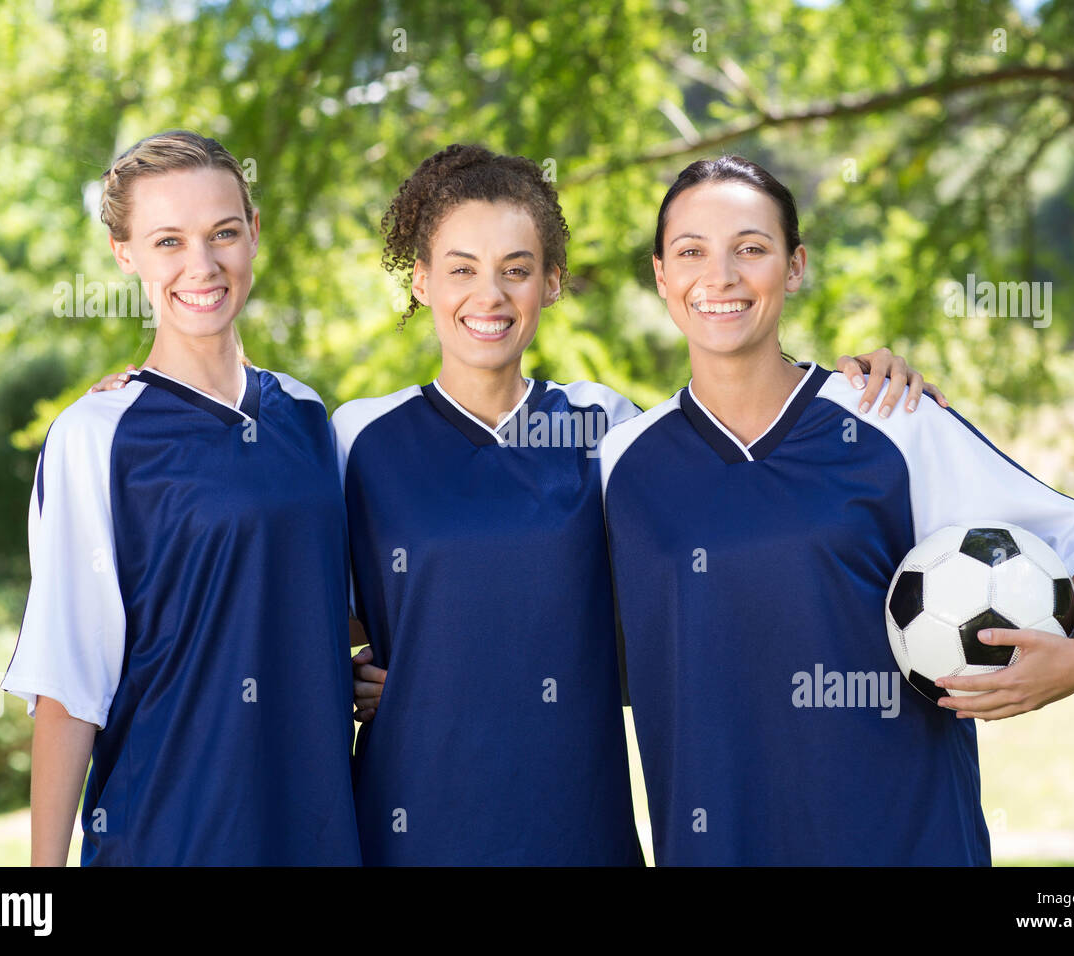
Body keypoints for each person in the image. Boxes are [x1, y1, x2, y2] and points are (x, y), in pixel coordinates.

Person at [90, 144, 940, 865]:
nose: (487, 297)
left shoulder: (611, 431)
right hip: (410, 825)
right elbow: (286, 586)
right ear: (420, 281)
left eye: (516, 270)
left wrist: (859, 382)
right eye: (460, 269)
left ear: (553, 283)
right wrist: (347, 669)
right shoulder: (355, 438)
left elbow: (738, 502)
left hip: (581, 825)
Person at [598, 155, 1074, 865]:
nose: (720, 276)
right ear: (662, 275)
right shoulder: (617, 463)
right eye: (691, 251)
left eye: (751, 249)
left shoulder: (889, 418)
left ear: (795, 265)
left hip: (909, 840)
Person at [2, 130, 361, 866]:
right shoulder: (94, 437)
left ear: (254, 234)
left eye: (223, 233)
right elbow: (70, 684)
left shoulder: (306, 415)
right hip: (166, 837)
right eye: (168, 241)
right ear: (123, 252)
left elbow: (317, 603)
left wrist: (380, 666)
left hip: (316, 835)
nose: (202, 265)